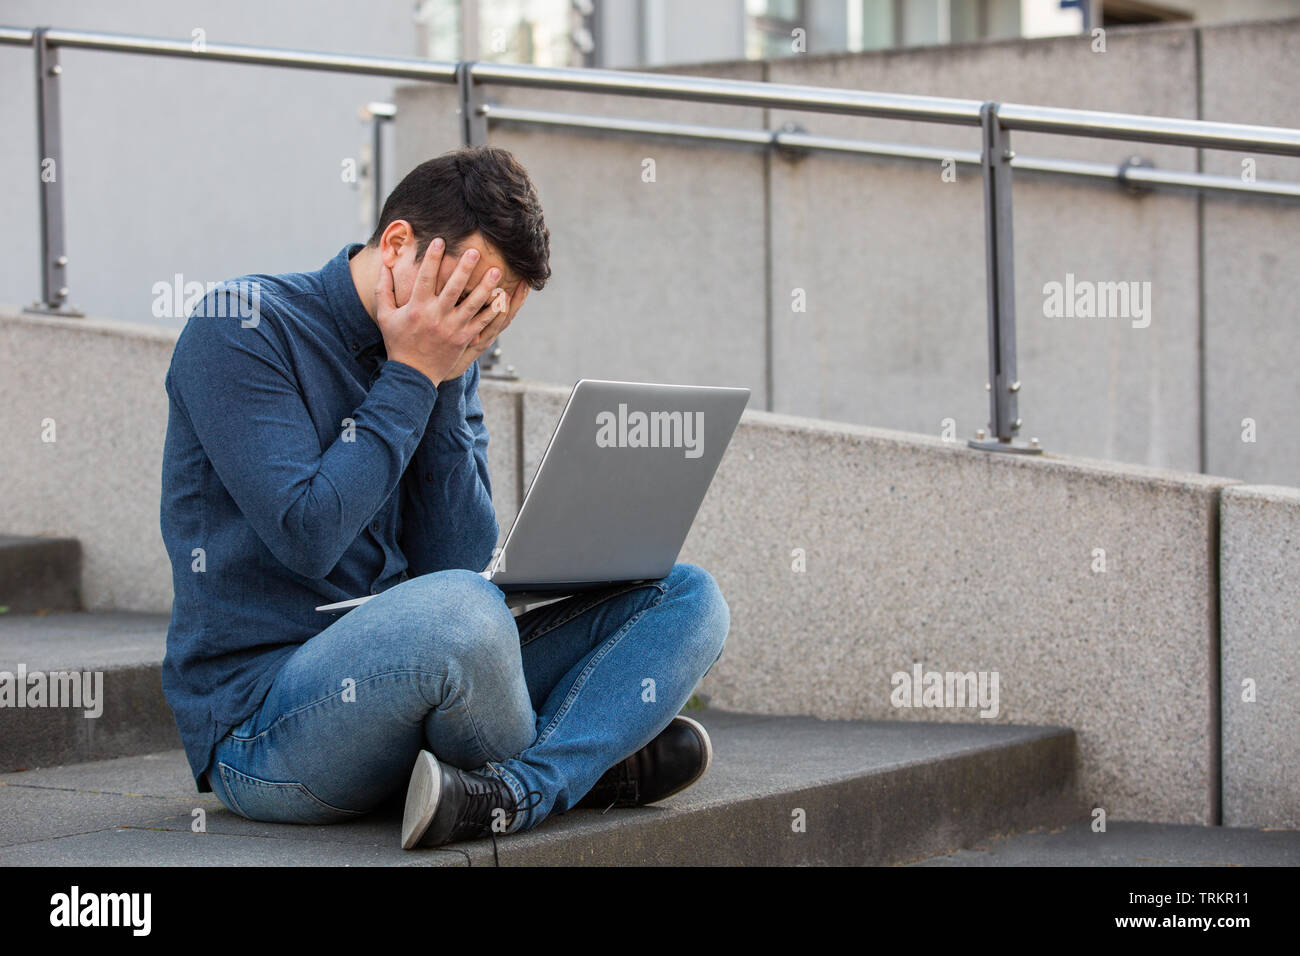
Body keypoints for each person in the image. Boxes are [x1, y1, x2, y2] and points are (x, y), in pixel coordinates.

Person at [159, 145, 731, 850]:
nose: (475, 328)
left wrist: (443, 380)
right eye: (468, 300)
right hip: (268, 726)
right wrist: (412, 374)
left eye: (493, 317)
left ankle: (517, 788)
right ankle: (582, 765)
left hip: (423, 672)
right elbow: (308, 534)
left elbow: (454, 557)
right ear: (398, 243)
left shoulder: (442, 358)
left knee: (687, 595)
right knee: (461, 617)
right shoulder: (240, 325)